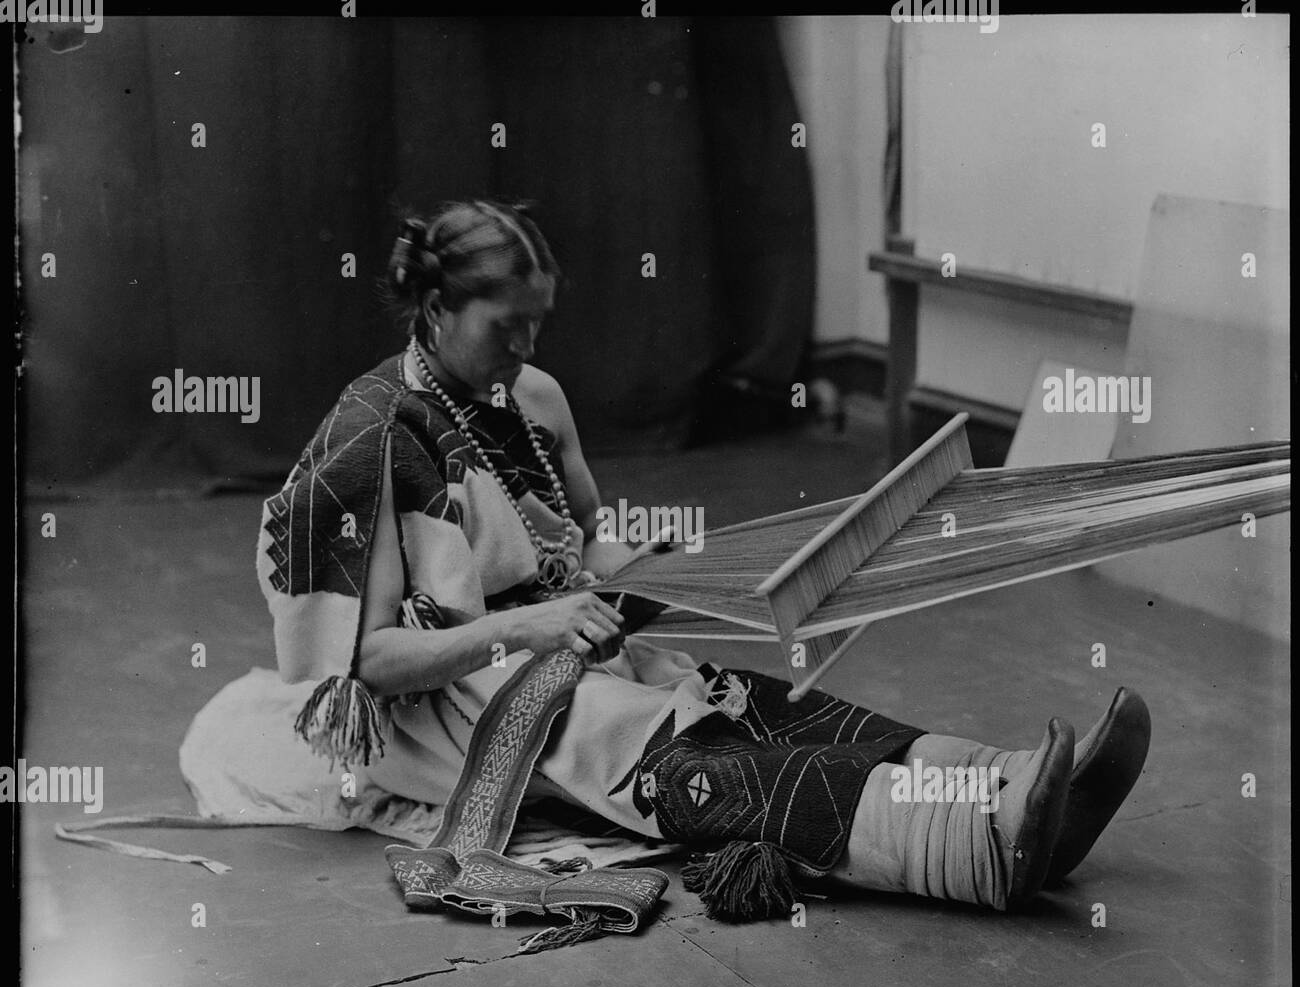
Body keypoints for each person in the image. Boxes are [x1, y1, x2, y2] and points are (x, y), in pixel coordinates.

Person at [185, 199, 1150, 933]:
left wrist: (686, 569)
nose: (524, 348)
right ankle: (980, 847)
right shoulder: (367, 439)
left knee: (751, 700)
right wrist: (526, 627)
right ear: (436, 309)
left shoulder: (532, 398)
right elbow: (368, 668)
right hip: (449, 701)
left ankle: (1009, 783)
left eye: (538, 324)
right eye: (503, 326)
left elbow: (583, 547)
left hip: (570, 640)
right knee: (674, 754)